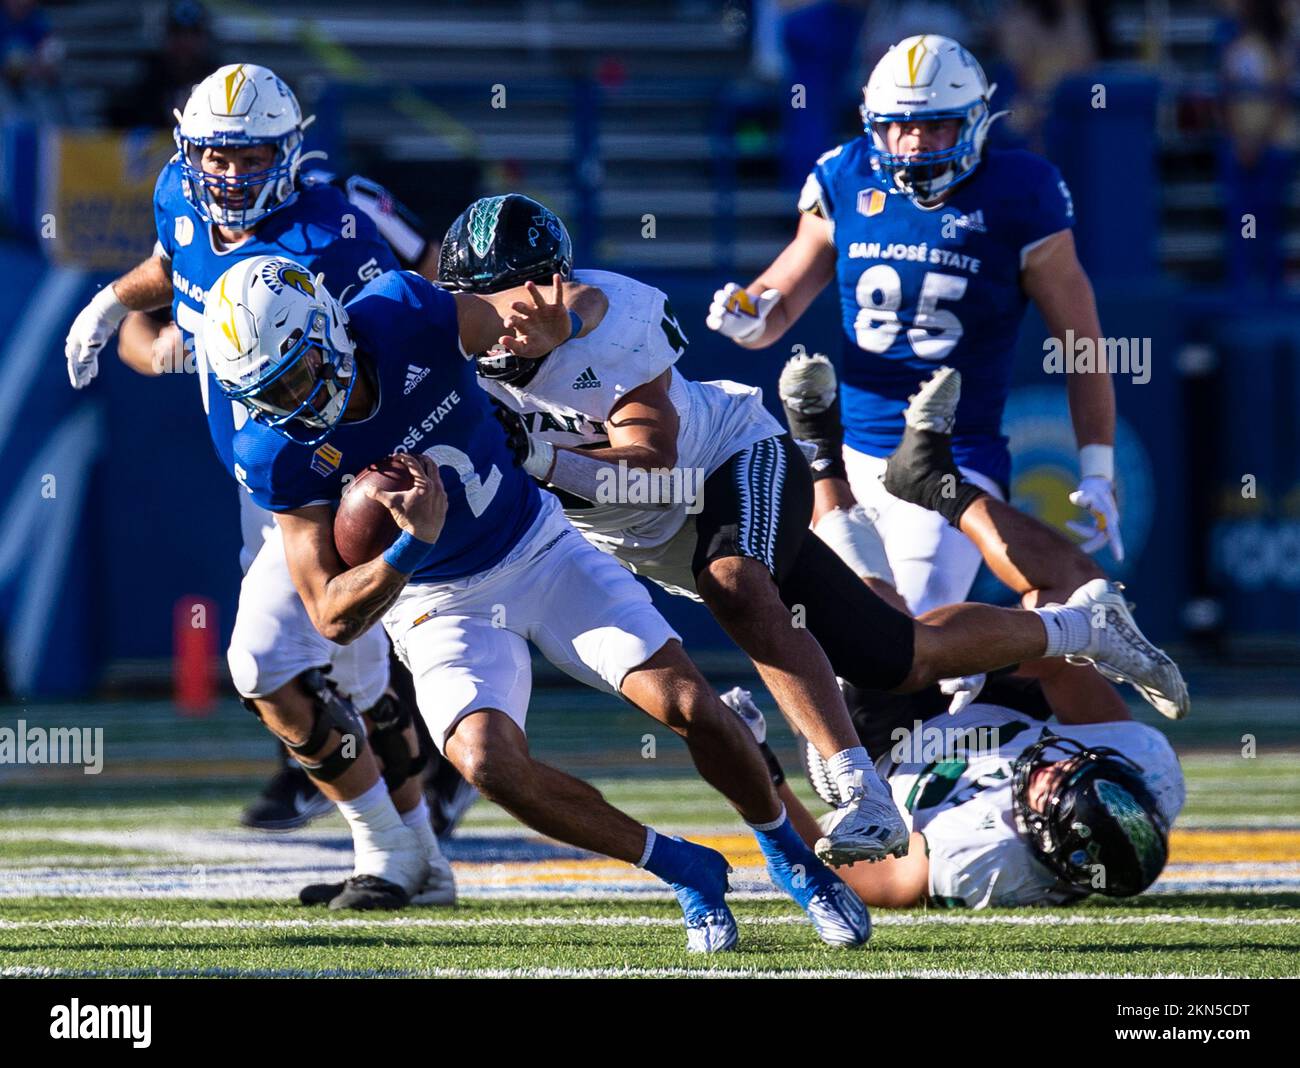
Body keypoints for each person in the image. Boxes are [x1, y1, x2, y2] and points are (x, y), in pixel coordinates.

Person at [437, 188, 1188, 836]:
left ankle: (857, 787)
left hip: (729, 460)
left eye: (525, 288)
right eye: (487, 295)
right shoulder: (446, 342)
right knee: (895, 656)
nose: (510, 312)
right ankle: (1084, 628)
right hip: (654, 544)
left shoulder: (613, 320)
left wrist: (538, 459)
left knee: (735, 582)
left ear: (556, 280)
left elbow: (653, 473)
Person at [202, 253, 881, 952]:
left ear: (332, 332)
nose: (294, 404)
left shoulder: (402, 314)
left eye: (298, 375)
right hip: (436, 599)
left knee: (686, 706)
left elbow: (533, 307)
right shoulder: (273, 448)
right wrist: (408, 547)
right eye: (270, 395)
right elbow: (330, 613)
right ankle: (683, 869)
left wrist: (565, 322)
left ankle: (788, 855)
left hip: (540, 547)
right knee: (485, 761)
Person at [63, 64, 449, 909]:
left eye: (252, 156)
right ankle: (419, 857)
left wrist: (368, 475)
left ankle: (394, 851)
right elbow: (173, 262)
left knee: (285, 660)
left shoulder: (334, 236)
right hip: (261, 470)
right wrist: (106, 304)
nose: (230, 173)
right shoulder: (178, 191)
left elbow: (394, 345)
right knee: (355, 670)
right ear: (188, 148)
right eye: (217, 155)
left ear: (290, 150)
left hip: (322, 471)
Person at [723, 365, 1183, 908]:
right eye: (1075, 766)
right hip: (994, 702)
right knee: (1079, 593)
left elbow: (863, 879)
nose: (1061, 763)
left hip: (880, 749)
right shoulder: (1142, 770)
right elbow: (1063, 669)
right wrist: (992, 659)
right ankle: (937, 482)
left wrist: (764, 775)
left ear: (1043, 834)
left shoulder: (985, 863)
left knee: (880, 632)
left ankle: (820, 456)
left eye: (1053, 784)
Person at [707, 33, 1123, 619]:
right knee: (853, 648)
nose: (913, 142)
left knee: (909, 632)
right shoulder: (845, 173)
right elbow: (775, 308)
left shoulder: (1021, 192)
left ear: (975, 122)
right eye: (897, 126)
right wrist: (745, 317)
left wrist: (1098, 467)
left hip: (955, 456)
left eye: (935, 126)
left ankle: (983, 688)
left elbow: (1082, 346)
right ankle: (977, 693)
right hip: (848, 459)